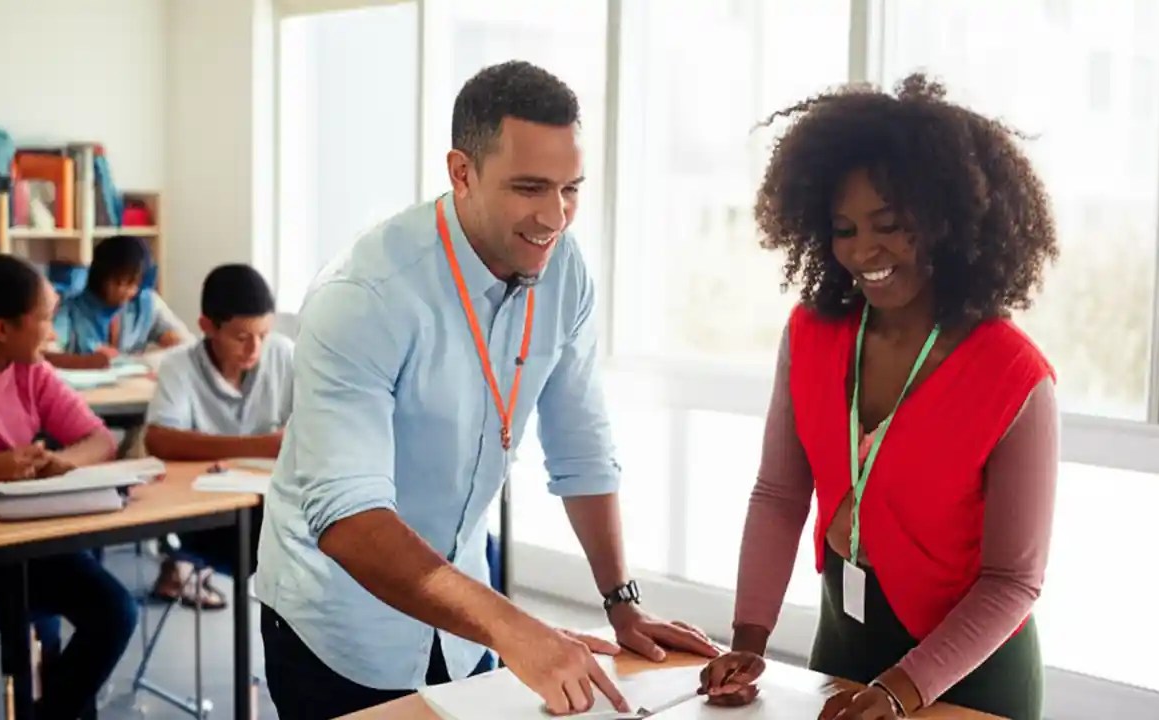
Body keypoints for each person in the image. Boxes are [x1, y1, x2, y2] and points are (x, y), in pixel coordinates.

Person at [255, 60, 719, 719]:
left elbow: (581, 445)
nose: (554, 216)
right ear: (461, 173)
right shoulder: (366, 295)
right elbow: (349, 521)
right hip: (340, 624)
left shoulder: (564, 269)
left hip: (462, 613)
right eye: (529, 188)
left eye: (571, 189)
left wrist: (621, 600)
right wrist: (513, 626)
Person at [697, 74, 1060, 720]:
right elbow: (780, 495)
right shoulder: (811, 335)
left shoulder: (1014, 376)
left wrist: (901, 688)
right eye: (843, 229)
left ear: (945, 222)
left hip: (970, 675)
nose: (864, 250)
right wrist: (748, 640)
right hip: (846, 643)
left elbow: (1013, 581)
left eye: (889, 225)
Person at [0, 254, 138, 719]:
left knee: (115, 612)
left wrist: (65, 461)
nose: (53, 332)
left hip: (27, 540)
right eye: (44, 319)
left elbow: (99, 439)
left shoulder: (31, 371)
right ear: (3, 329)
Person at [143, 263, 293, 609]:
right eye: (241, 337)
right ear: (207, 327)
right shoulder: (179, 365)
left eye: (263, 334)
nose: (255, 348)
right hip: (205, 515)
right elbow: (160, 440)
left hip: (269, 509)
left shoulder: (282, 354)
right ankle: (185, 566)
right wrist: (260, 446)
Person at [45, 234, 190, 370]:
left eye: (133, 283)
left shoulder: (146, 302)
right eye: (118, 282)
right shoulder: (70, 308)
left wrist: (139, 360)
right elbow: (47, 354)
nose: (127, 291)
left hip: (133, 389)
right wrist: (90, 361)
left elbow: (187, 346)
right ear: (101, 277)